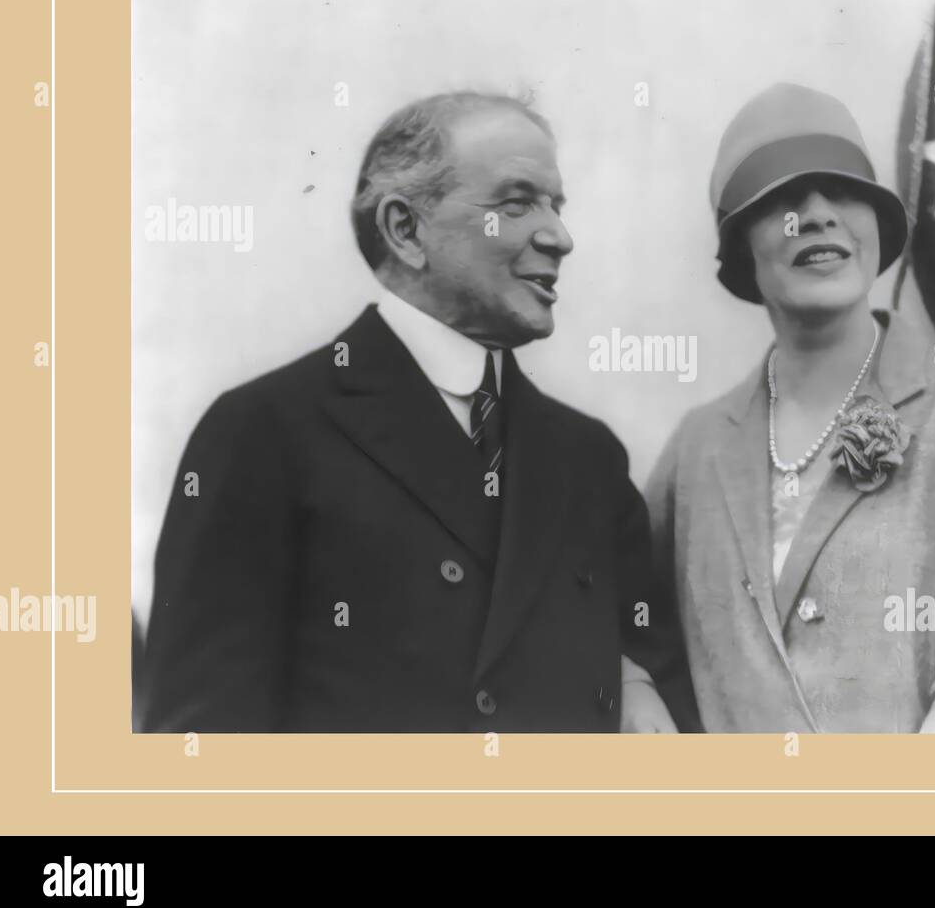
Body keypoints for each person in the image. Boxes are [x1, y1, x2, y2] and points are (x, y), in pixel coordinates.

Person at [144, 92, 698, 734]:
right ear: (406, 230)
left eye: (555, 205)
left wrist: (634, 682)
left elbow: (658, 681)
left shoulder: (589, 458)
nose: (559, 237)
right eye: (516, 202)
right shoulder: (263, 432)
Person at [646, 83, 935, 733]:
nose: (816, 214)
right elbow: (617, 612)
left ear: (876, 223)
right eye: (779, 200)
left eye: (842, 190)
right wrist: (632, 680)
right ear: (741, 245)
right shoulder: (699, 447)